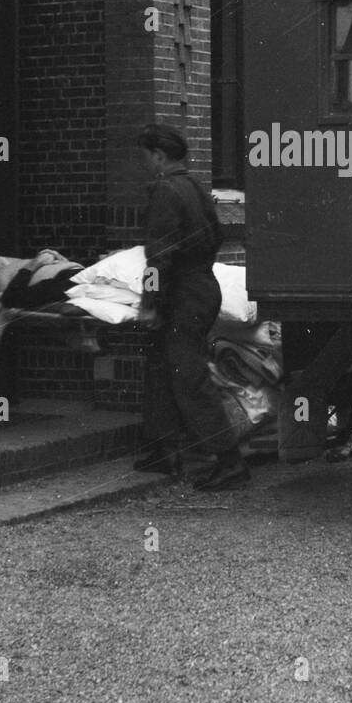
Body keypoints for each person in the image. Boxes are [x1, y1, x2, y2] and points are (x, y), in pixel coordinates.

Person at [133, 123, 248, 491]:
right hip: (201, 286)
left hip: (182, 294)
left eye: (145, 157)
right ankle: (163, 450)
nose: (145, 164)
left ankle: (230, 463)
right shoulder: (196, 187)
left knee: (188, 378)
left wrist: (149, 303)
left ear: (158, 156)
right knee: (164, 369)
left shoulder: (165, 191)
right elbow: (215, 236)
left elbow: (159, 257)